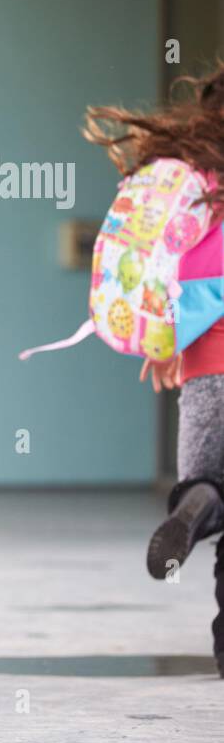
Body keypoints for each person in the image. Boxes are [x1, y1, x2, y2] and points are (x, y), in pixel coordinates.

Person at [85, 66, 224, 677]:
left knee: (210, 481)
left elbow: (184, 279)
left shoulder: (194, 191)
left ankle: (192, 507)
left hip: (203, 374)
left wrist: (165, 343)